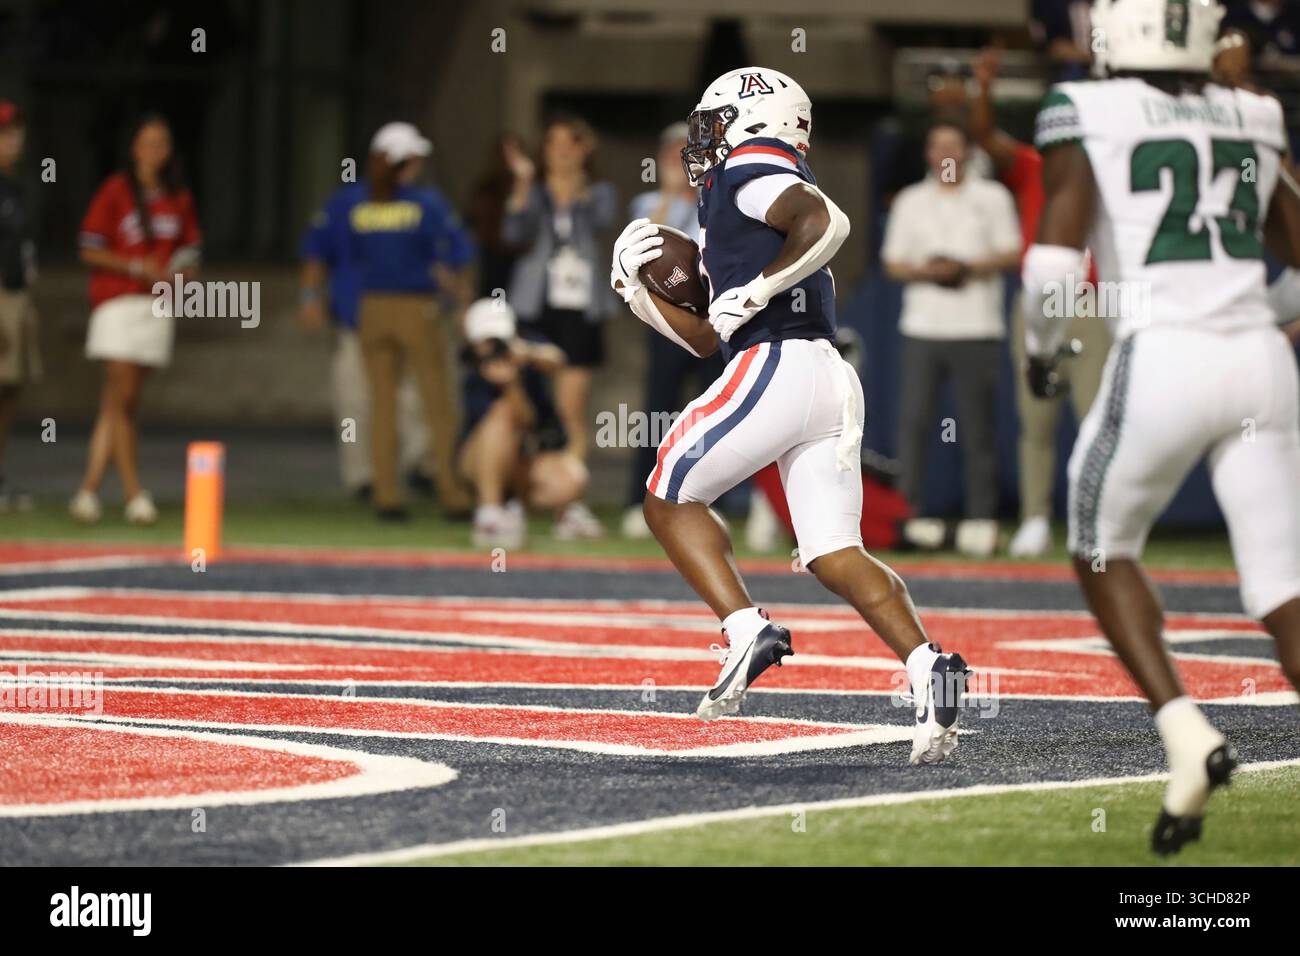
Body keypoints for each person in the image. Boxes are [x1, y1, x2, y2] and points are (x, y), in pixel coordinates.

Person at [611, 66, 971, 764]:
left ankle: (746, 627)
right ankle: (930, 666)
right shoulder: (745, 213)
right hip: (825, 378)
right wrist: (644, 301)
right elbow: (712, 335)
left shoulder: (751, 166)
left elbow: (826, 218)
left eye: (714, 124)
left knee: (665, 495)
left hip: (777, 368)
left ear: (751, 121)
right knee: (835, 553)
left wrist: (755, 291)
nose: (704, 141)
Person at [1024, 0, 1300, 855]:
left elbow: (1051, 269)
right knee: (1284, 583)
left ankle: (1185, 733)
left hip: (1166, 357)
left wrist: (1044, 348)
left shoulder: (1088, 107)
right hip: (1259, 357)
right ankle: (1188, 744)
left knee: (1097, 540)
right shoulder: (1256, 110)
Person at [970, 47, 1112, 558]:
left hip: (1094, 302)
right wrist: (982, 85)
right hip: (1041, 302)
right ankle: (1034, 518)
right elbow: (985, 138)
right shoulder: (1034, 165)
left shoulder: (1111, 169)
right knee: (1037, 419)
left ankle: (1094, 521)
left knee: (1095, 419)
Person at [882, 121, 1022, 556]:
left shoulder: (992, 197)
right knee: (915, 424)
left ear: (965, 152)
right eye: (938, 145)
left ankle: (982, 520)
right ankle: (909, 517)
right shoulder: (910, 200)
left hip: (976, 325)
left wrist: (965, 269)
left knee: (978, 428)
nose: (946, 154)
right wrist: (930, 271)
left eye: (954, 145)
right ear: (928, 153)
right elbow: (892, 263)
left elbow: (1012, 251)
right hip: (923, 326)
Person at [72, 113, 200, 525]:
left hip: (157, 304)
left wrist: (178, 276)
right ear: (134, 148)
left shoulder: (177, 196)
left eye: (162, 143)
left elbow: (190, 253)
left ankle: (89, 491)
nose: (155, 151)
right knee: (122, 398)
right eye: (148, 143)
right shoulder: (116, 191)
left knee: (119, 401)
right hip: (117, 301)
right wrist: (134, 267)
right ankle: (132, 492)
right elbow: (89, 247)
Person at [349, 122, 475, 521]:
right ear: (405, 160)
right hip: (416, 308)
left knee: (382, 406)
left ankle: (386, 494)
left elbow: (337, 256)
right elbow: (457, 252)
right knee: (437, 403)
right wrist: (462, 297)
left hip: (372, 308)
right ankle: (451, 492)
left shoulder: (355, 201)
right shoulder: (426, 203)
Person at [502, 114, 616, 540]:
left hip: (579, 307)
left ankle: (569, 504)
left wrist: (575, 181)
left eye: (570, 143)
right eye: (553, 143)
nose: (560, 151)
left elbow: (600, 221)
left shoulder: (597, 190)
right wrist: (523, 184)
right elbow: (513, 230)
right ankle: (516, 500)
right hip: (536, 303)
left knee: (571, 409)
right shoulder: (532, 188)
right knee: (526, 406)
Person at [299, 163, 431, 502]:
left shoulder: (423, 204)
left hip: (408, 319)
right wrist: (311, 296)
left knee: (413, 399)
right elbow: (317, 250)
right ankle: (362, 477)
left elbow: (443, 254)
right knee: (355, 402)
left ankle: (416, 467)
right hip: (355, 321)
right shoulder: (348, 202)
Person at [457, 297, 586, 548]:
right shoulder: (474, 377)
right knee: (503, 413)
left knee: (570, 481)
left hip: (525, 463)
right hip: (480, 463)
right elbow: (523, 418)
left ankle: (518, 509)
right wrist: (510, 384)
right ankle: (490, 514)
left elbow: (557, 359)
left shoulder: (525, 351)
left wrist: (525, 354)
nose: (493, 348)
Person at [0, 100, 39, 512]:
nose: (12, 141)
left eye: (15, 132)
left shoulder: (15, 186)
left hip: (15, 293)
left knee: (10, 387)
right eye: (4, 133)